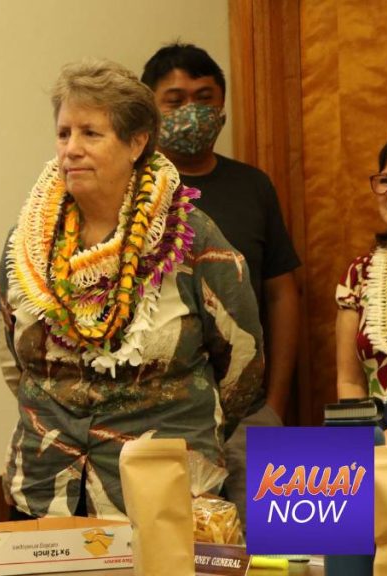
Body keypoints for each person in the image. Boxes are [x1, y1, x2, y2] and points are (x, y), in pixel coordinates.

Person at [0, 59, 263, 519]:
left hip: (163, 494)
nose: (71, 149)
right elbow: (13, 359)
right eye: (64, 133)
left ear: (136, 143)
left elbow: (243, 364)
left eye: (90, 134)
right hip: (44, 490)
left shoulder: (192, 238)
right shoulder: (28, 241)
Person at [141, 43, 301, 521]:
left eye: (204, 97)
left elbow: (281, 293)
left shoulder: (253, 185)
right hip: (165, 420)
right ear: (149, 109)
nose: (192, 110)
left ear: (223, 103)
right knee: (181, 547)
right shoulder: (135, 190)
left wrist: (274, 404)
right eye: (175, 100)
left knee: (275, 544)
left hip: (251, 415)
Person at [336, 130, 387, 441]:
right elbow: (350, 383)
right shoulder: (360, 274)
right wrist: (376, 440)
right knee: (272, 462)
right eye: (385, 181)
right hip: (376, 448)